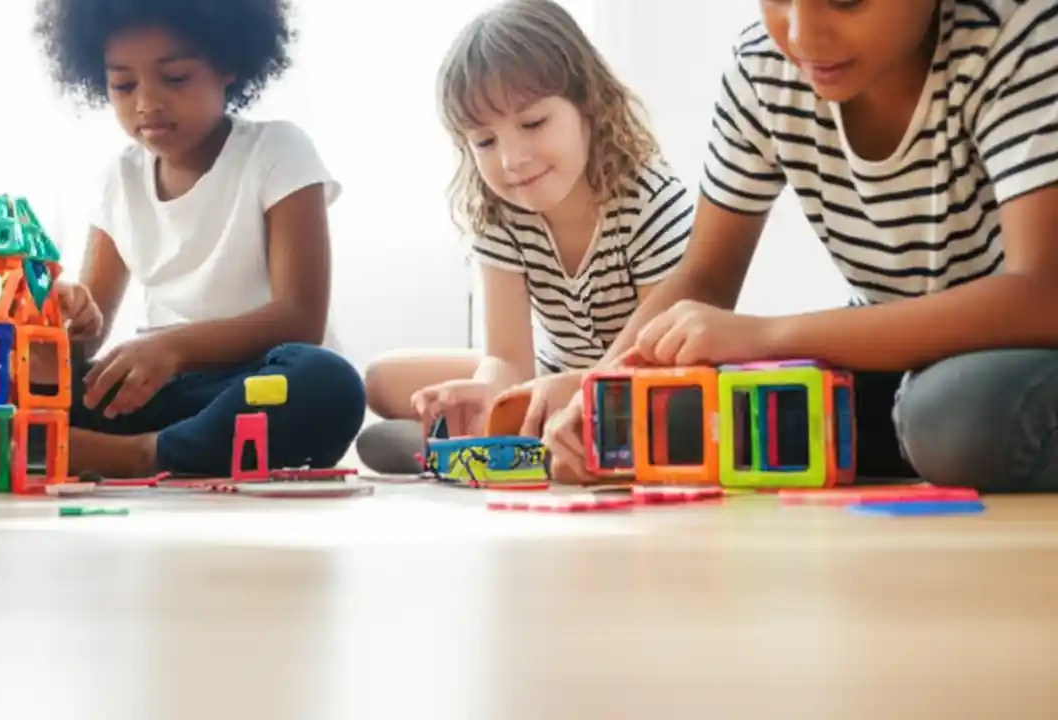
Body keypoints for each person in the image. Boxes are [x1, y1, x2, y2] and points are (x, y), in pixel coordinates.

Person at [541, 0, 1058, 492]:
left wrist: (769, 336)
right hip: (899, 364)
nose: (803, 36)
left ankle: (922, 437)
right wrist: (601, 388)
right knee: (692, 410)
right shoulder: (762, 70)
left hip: (1023, 355)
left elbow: (1041, 296)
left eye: (848, 1)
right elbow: (704, 275)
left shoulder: (1016, 36)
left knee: (955, 414)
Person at [17, 0, 365, 478]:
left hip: (257, 386)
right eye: (123, 84)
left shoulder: (278, 151)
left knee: (327, 383)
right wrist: (62, 323)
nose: (146, 103)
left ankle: (137, 455)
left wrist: (173, 348)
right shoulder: (118, 180)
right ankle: (170, 448)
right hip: (164, 394)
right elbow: (88, 334)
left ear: (229, 64)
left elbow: (300, 317)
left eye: (175, 78)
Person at [357, 0, 693, 475]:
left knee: (616, 427)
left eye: (533, 124)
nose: (512, 159)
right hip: (549, 372)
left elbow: (661, 360)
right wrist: (488, 388)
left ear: (589, 105)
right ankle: (486, 430)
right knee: (380, 380)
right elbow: (507, 357)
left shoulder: (648, 201)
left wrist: (572, 388)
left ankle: (469, 442)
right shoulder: (497, 210)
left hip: (633, 377)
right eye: (485, 142)